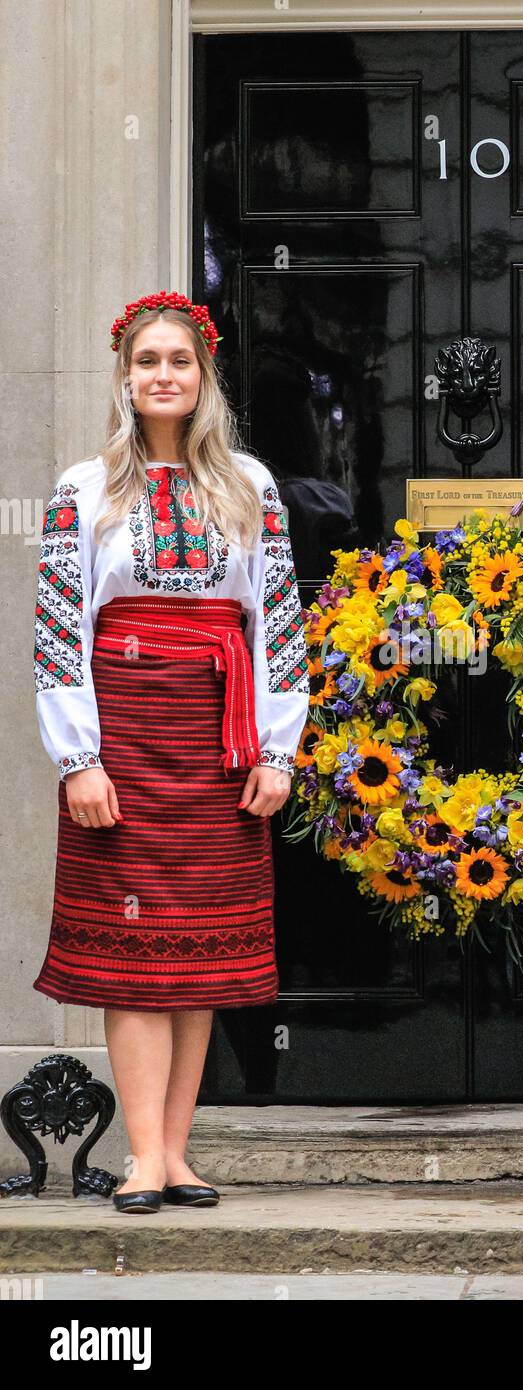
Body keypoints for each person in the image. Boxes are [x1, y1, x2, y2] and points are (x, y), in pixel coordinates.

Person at [32, 290, 310, 1214]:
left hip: (219, 739)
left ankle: (180, 1152)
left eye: (179, 362)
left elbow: (278, 624)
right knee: (134, 950)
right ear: (125, 375)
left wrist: (278, 749)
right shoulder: (84, 487)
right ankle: (143, 1155)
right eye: (147, 362)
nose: (163, 376)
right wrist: (79, 758)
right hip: (124, 738)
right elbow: (57, 632)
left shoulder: (249, 485)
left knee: (202, 956)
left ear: (203, 378)